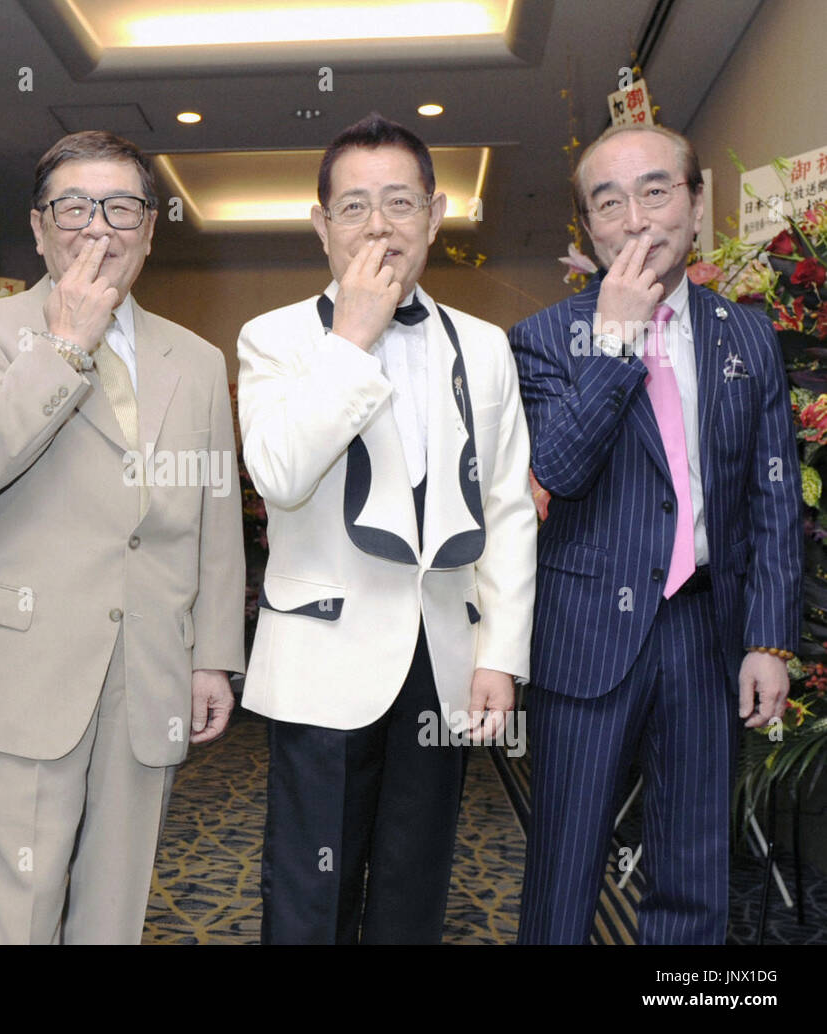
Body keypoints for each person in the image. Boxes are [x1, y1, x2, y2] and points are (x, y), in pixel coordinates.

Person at [0, 130, 245, 944]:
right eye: (73, 206)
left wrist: (213, 652)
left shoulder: (198, 359)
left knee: (115, 909)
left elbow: (214, 512)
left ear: (150, 227)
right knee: (21, 915)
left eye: (121, 207)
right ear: (38, 228)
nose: (97, 227)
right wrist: (66, 341)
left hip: (150, 667)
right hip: (26, 664)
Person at [236, 114, 536, 944]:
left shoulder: (483, 347)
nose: (379, 225)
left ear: (436, 217)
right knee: (308, 895)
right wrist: (353, 339)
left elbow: (507, 506)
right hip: (321, 654)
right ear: (320, 224)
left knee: (414, 890)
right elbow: (280, 476)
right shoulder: (275, 338)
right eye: (355, 206)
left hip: (442, 661)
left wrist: (502, 656)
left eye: (400, 203)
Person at [510, 123, 801, 944]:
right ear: (588, 228)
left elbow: (773, 497)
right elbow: (555, 472)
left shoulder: (745, 335)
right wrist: (615, 340)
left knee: (694, 876)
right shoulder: (540, 340)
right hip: (585, 637)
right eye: (609, 201)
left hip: (706, 633)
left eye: (656, 190)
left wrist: (768, 641)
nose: (635, 217)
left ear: (696, 201)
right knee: (564, 876)